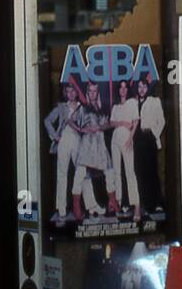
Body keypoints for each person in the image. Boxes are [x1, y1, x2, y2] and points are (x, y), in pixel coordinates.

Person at [70, 81, 113, 221]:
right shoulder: (83, 108)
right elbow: (70, 120)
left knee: (109, 171)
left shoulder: (101, 109)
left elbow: (109, 124)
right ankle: (76, 205)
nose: (93, 94)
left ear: (97, 92)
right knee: (81, 174)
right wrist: (81, 129)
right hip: (87, 144)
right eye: (90, 91)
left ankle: (111, 201)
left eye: (95, 91)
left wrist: (100, 128)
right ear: (87, 92)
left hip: (99, 144)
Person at [44, 81, 82, 225]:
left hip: (78, 141)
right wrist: (55, 136)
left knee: (81, 172)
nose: (71, 94)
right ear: (65, 93)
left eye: (73, 91)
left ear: (77, 92)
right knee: (62, 175)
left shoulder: (81, 107)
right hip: (64, 141)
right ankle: (62, 209)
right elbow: (47, 121)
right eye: (68, 91)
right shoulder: (61, 107)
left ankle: (85, 206)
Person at [108, 79, 141, 220]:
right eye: (120, 87)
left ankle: (137, 208)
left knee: (130, 173)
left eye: (125, 87)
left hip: (126, 139)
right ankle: (120, 203)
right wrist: (122, 122)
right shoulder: (115, 106)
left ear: (128, 89)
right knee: (117, 172)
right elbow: (111, 122)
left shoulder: (132, 102)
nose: (122, 89)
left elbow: (136, 122)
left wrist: (130, 139)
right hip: (114, 139)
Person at [133, 78, 165, 216]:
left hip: (149, 138)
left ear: (148, 88)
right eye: (139, 87)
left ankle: (156, 203)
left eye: (144, 87)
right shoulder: (133, 102)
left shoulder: (154, 101)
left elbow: (162, 121)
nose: (141, 90)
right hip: (137, 140)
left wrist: (153, 133)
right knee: (140, 172)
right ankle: (145, 204)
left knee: (152, 171)